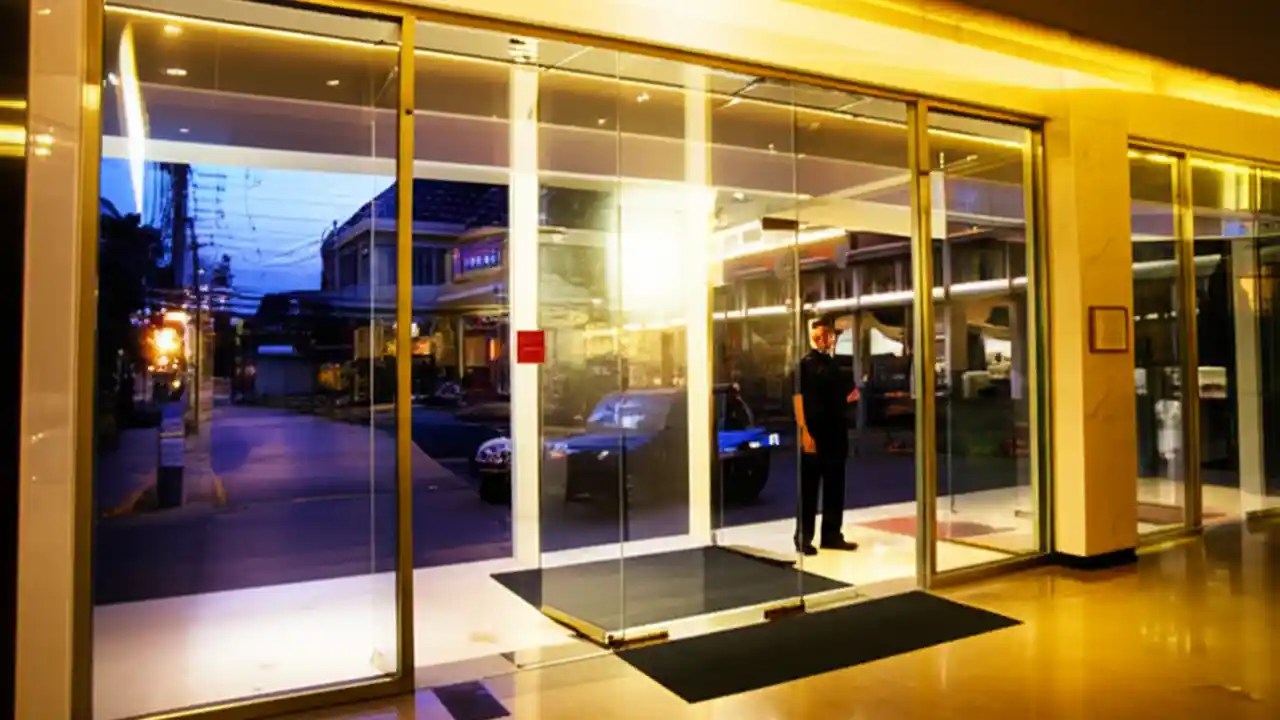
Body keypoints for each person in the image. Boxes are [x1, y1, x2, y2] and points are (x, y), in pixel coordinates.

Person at [793, 315, 860, 556]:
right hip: (814, 431)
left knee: (835, 486)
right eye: (821, 335)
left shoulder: (835, 365)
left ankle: (832, 534)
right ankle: (803, 538)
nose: (826, 339)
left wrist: (850, 398)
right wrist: (804, 431)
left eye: (829, 335)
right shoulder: (804, 364)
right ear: (813, 336)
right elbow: (798, 399)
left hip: (835, 432)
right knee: (809, 488)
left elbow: (844, 395)